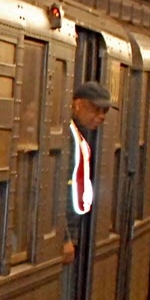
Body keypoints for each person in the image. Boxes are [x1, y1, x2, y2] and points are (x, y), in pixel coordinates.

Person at [61, 80, 113, 265]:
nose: (101, 116)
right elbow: (58, 190)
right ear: (77, 104)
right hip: (66, 235)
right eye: (96, 109)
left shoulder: (78, 133)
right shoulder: (66, 135)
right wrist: (65, 237)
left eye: (104, 111)